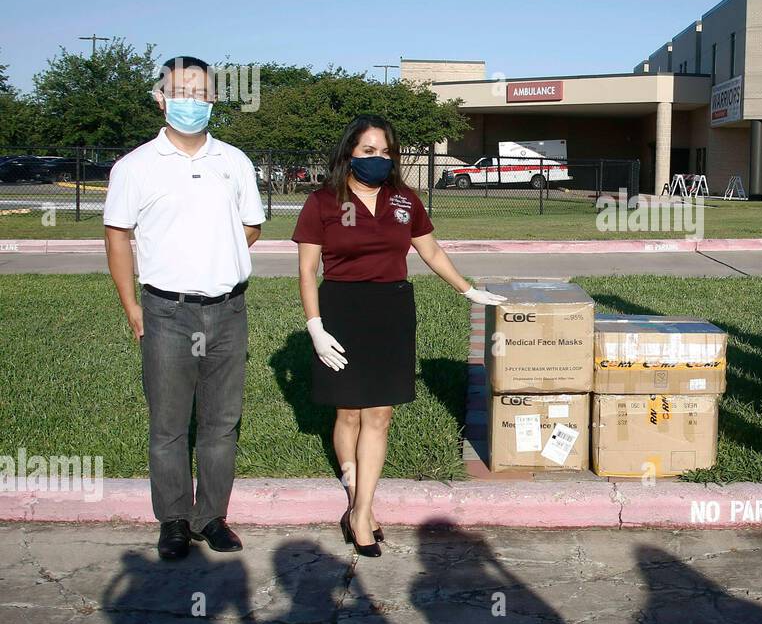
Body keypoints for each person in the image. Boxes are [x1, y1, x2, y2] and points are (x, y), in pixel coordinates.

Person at [292, 115, 505, 557]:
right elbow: (308, 270)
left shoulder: (404, 199)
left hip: (391, 311)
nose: (379, 159)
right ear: (349, 151)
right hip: (341, 310)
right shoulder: (323, 202)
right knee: (348, 413)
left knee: (380, 414)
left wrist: (467, 289)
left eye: (386, 152)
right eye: (369, 151)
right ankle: (357, 498)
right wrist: (315, 327)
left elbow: (429, 249)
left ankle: (361, 511)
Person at [104, 55, 266, 561]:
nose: (190, 101)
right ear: (160, 96)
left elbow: (252, 226)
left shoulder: (234, 162)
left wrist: (215, 258)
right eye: (180, 91)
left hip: (228, 311)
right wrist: (132, 305)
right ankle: (173, 520)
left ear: (214, 98)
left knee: (221, 421)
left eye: (200, 93)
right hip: (166, 313)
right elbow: (117, 236)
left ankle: (211, 517)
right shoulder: (134, 167)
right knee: (169, 423)